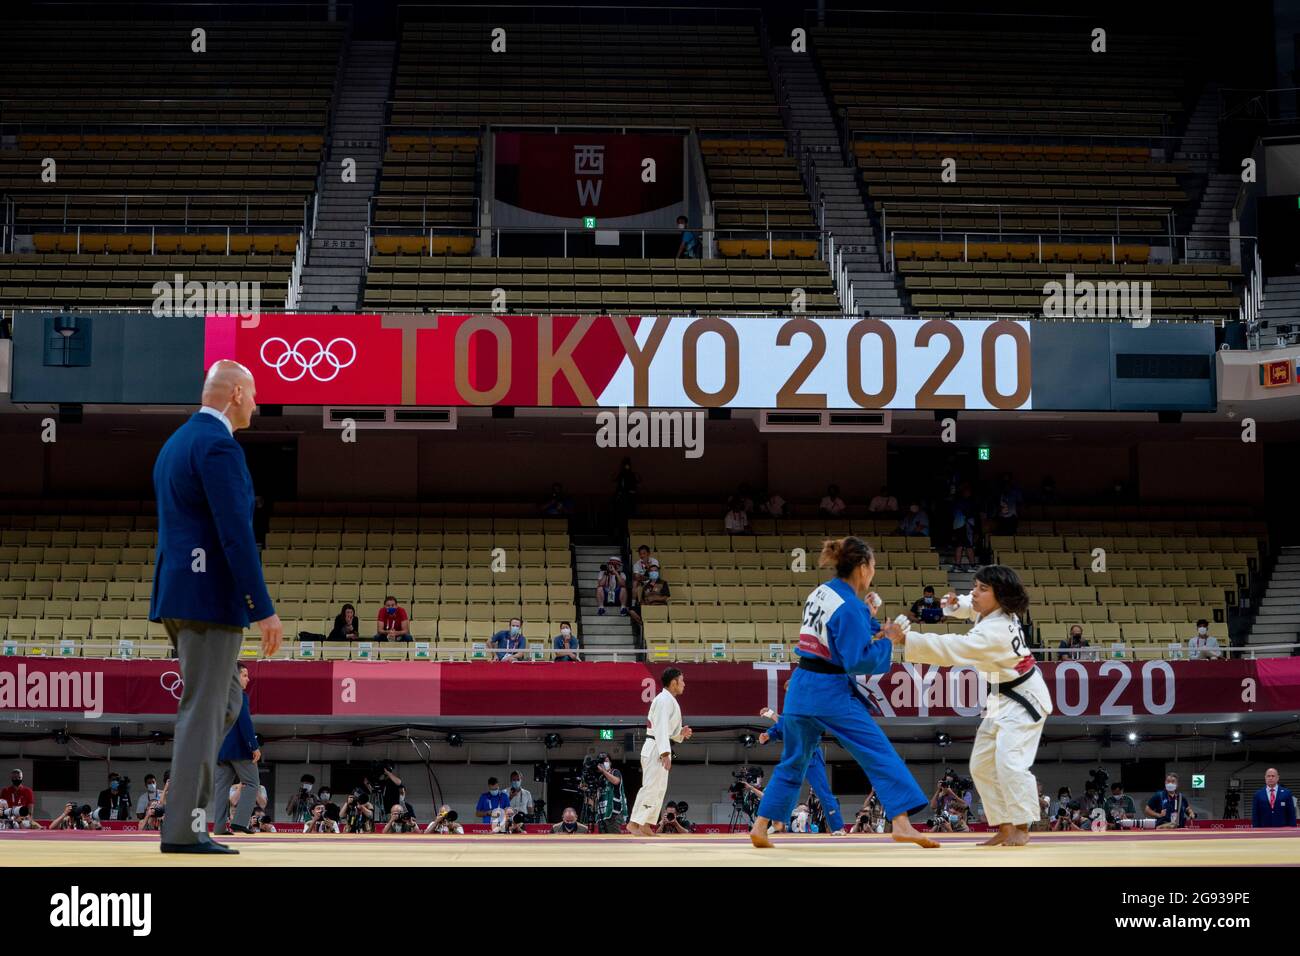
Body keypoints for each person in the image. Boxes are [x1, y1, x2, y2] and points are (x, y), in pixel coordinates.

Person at [150, 359, 282, 854]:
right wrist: (262, 607)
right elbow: (236, 535)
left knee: (224, 704)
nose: (257, 403)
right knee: (203, 715)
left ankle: (189, 816)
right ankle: (184, 829)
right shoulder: (220, 447)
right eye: (253, 394)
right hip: (209, 600)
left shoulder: (175, 444)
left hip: (178, 594)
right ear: (234, 395)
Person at [750, 537, 934, 850]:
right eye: (872, 566)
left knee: (794, 760)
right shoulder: (850, 607)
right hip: (829, 692)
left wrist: (870, 618)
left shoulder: (821, 593)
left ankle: (761, 826)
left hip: (800, 687)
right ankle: (901, 823)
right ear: (862, 568)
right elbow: (858, 659)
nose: (873, 572)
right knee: (876, 751)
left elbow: (841, 630)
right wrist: (888, 640)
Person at [889, 565, 1051, 847]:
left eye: (981, 589)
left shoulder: (995, 631)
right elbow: (971, 607)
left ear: (999, 595)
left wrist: (906, 639)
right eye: (974, 586)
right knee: (981, 764)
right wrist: (954, 605)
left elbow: (952, 647)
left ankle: (1022, 826)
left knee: (1010, 762)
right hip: (1001, 697)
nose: (973, 593)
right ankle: (1004, 824)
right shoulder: (994, 611)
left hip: (1025, 698)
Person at [758, 704, 845, 833]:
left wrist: (772, 715)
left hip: (811, 756)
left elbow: (792, 727)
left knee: (822, 792)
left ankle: (838, 827)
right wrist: (766, 737)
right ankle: (776, 822)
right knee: (781, 789)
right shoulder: (787, 716)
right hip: (794, 757)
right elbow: (777, 730)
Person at [627, 667, 692, 836]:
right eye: (682, 680)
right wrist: (665, 754)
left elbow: (668, 731)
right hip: (656, 747)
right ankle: (634, 823)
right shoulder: (664, 700)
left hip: (660, 745)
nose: (684, 684)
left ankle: (646, 823)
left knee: (659, 788)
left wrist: (680, 735)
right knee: (650, 787)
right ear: (673, 683)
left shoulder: (668, 700)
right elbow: (661, 728)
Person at [213, 661, 261, 835]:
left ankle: (218, 827)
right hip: (239, 749)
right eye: (245, 675)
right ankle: (240, 822)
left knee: (221, 788)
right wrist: (253, 746)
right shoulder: (239, 696)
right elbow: (245, 723)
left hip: (220, 750)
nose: (248, 679)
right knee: (252, 783)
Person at [629, 561, 670, 629]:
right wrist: (644, 604)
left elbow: (665, 597)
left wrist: (654, 599)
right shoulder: (645, 586)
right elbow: (642, 600)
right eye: (652, 571)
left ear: (658, 572)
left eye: (655, 571)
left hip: (660, 607)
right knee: (631, 610)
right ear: (649, 573)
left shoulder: (663, 583)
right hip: (648, 608)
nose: (654, 572)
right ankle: (643, 625)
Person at [592, 752, 627, 833]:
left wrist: (604, 771)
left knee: (614, 840)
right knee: (603, 841)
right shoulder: (601, 778)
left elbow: (616, 781)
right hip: (602, 814)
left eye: (606, 761)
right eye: (602, 762)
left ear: (610, 763)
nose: (604, 763)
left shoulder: (615, 772)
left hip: (613, 812)